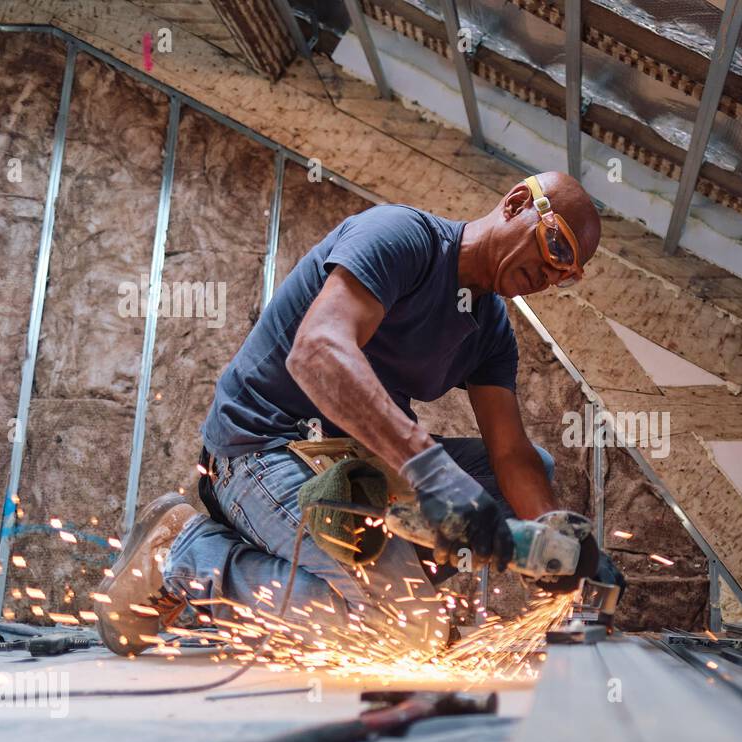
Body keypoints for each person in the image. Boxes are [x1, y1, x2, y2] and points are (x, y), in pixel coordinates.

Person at [97, 172, 622, 655]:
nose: (552, 274)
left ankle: (385, 601)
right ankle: (186, 553)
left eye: (568, 274)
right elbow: (317, 351)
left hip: (352, 465)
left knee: (531, 477)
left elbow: (511, 455)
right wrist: (431, 471)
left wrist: (562, 547)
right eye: (556, 245)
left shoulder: (490, 329)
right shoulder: (400, 237)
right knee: (408, 636)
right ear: (516, 204)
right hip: (261, 446)